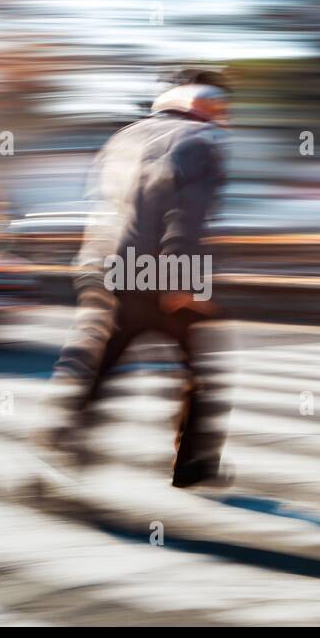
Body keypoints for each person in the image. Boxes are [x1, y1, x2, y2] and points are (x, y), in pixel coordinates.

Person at [38, 70, 234, 488]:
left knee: (105, 359)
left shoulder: (125, 137)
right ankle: (194, 463)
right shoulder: (201, 143)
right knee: (199, 370)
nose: (225, 118)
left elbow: (107, 206)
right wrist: (180, 279)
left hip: (109, 269)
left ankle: (66, 435)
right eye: (222, 109)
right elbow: (186, 214)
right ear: (204, 108)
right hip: (161, 272)